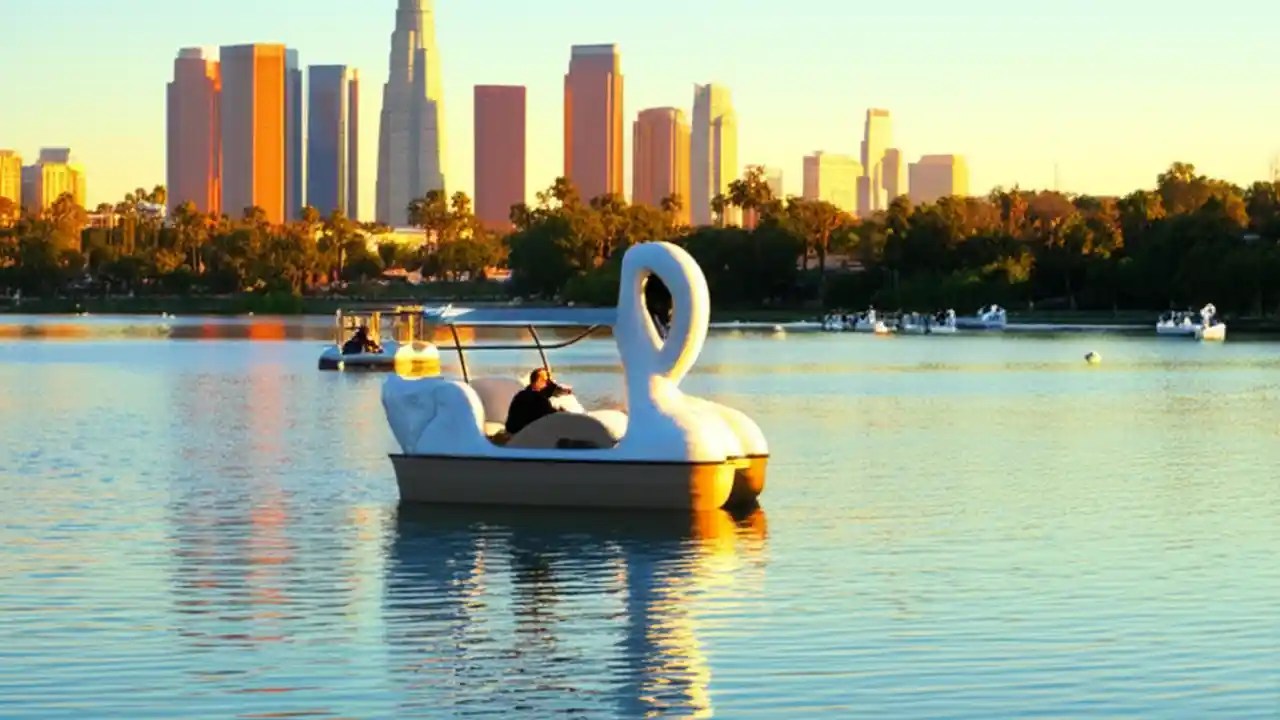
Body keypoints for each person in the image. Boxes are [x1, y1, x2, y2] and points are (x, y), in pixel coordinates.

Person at [505, 368, 567, 435]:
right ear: (539, 381)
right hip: (527, 436)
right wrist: (561, 412)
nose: (549, 384)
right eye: (547, 381)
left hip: (513, 433)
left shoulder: (520, 395)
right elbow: (552, 418)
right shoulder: (539, 399)